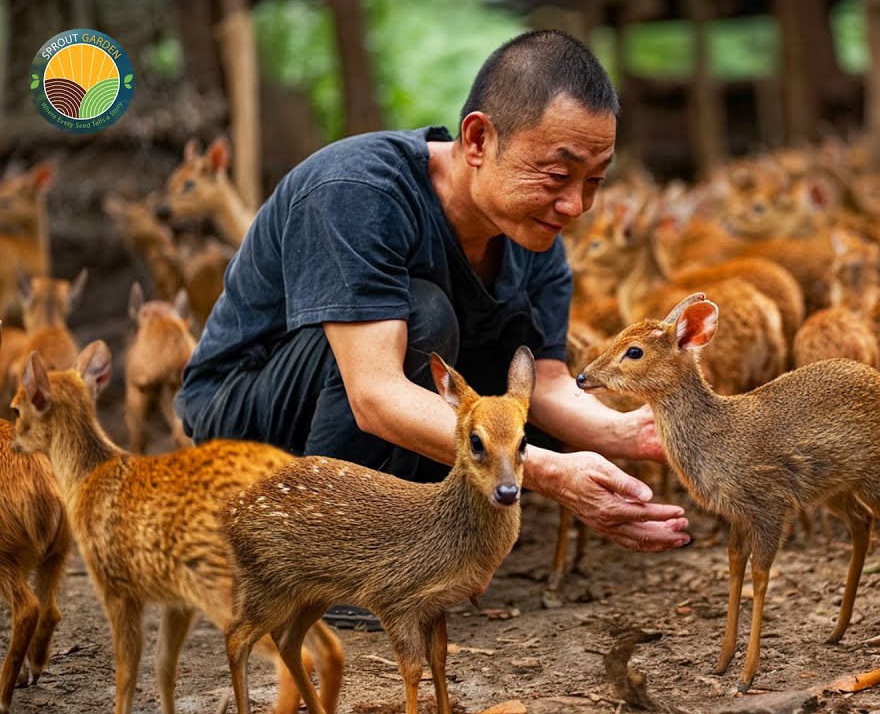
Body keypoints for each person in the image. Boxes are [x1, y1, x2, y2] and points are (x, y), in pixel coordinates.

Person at [175, 30, 691, 624]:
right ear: (477, 140)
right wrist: (541, 471)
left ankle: (407, 544)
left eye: (595, 181)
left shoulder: (533, 234)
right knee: (424, 315)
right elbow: (372, 396)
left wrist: (632, 433)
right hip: (248, 417)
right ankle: (334, 571)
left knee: (509, 363)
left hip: (372, 408)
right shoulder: (359, 191)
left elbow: (546, 385)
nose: (576, 205)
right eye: (557, 175)